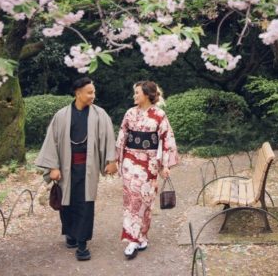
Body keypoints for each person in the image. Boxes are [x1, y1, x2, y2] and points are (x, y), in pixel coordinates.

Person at [35, 77, 118, 261]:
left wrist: (111, 160)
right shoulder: (61, 115)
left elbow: (108, 138)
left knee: (85, 203)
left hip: (87, 167)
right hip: (66, 167)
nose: (93, 96)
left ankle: (82, 244)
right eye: (89, 92)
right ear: (78, 93)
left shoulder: (100, 115)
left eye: (94, 92)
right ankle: (71, 234)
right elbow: (52, 141)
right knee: (67, 204)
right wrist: (53, 166)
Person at [116, 80, 178, 259]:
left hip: (149, 163)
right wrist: (116, 160)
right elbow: (122, 137)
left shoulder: (159, 115)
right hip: (130, 160)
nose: (134, 96)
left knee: (146, 200)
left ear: (147, 94)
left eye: (137, 93)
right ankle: (132, 239)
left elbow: (167, 140)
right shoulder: (129, 113)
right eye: (134, 93)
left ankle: (142, 236)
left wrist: (165, 165)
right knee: (131, 200)